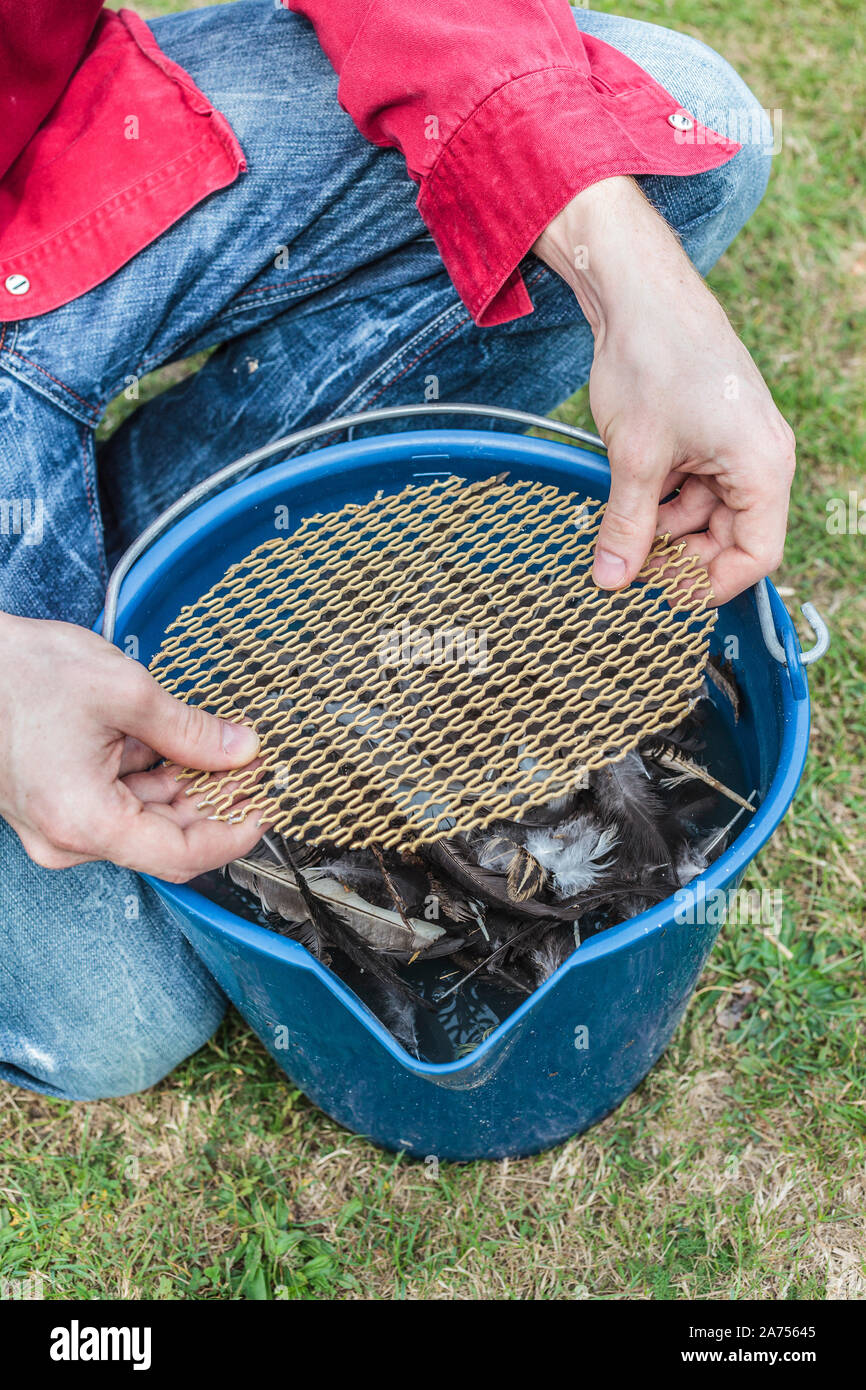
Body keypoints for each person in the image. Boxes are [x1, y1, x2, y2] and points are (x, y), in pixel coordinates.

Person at [0, 0, 794, 1100]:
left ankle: (126, 539)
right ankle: (83, 579)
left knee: (669, 134)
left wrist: (632, 285)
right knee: (114, 1021)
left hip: (52, 154)